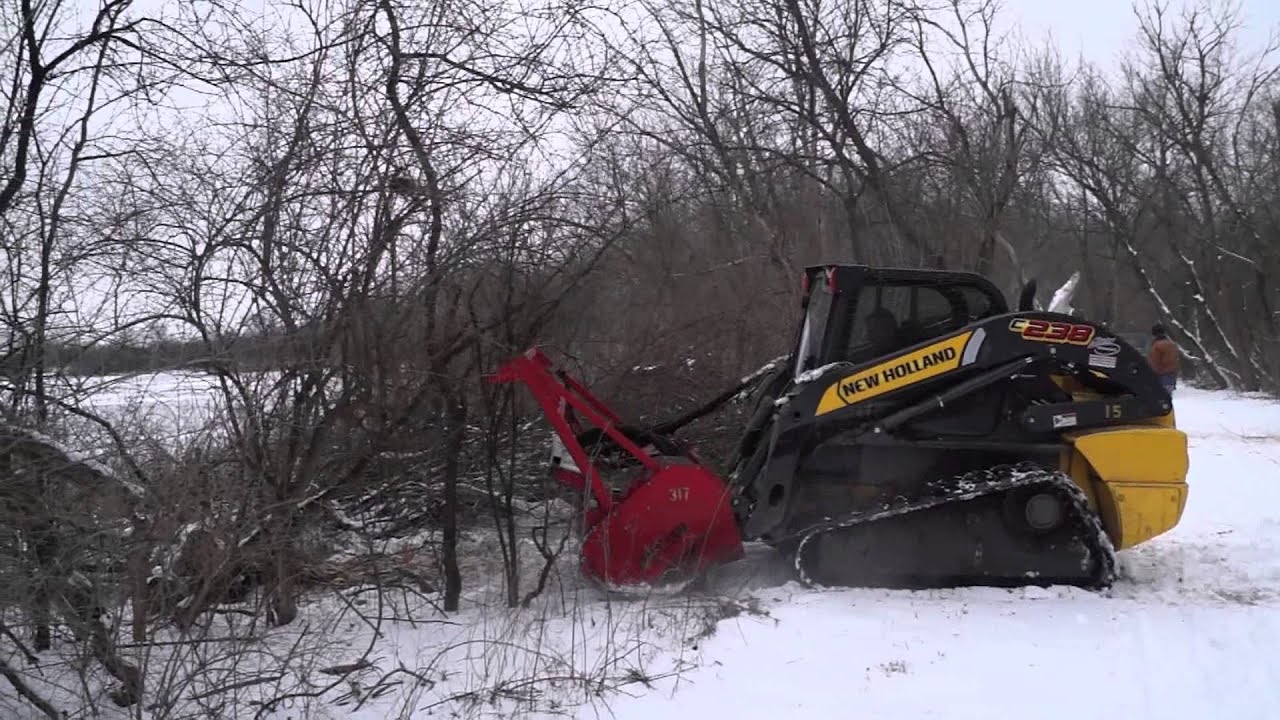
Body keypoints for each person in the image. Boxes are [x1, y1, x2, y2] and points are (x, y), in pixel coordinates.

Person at [1148, 323, 1179, 394]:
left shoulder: (1156, 346)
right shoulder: (1172, 345)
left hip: (1160, 378)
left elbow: (1154, 364)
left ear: (1154, 334)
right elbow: (1176, 362)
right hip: (1171, 377)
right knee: (1167, 400)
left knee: (1158, 402)